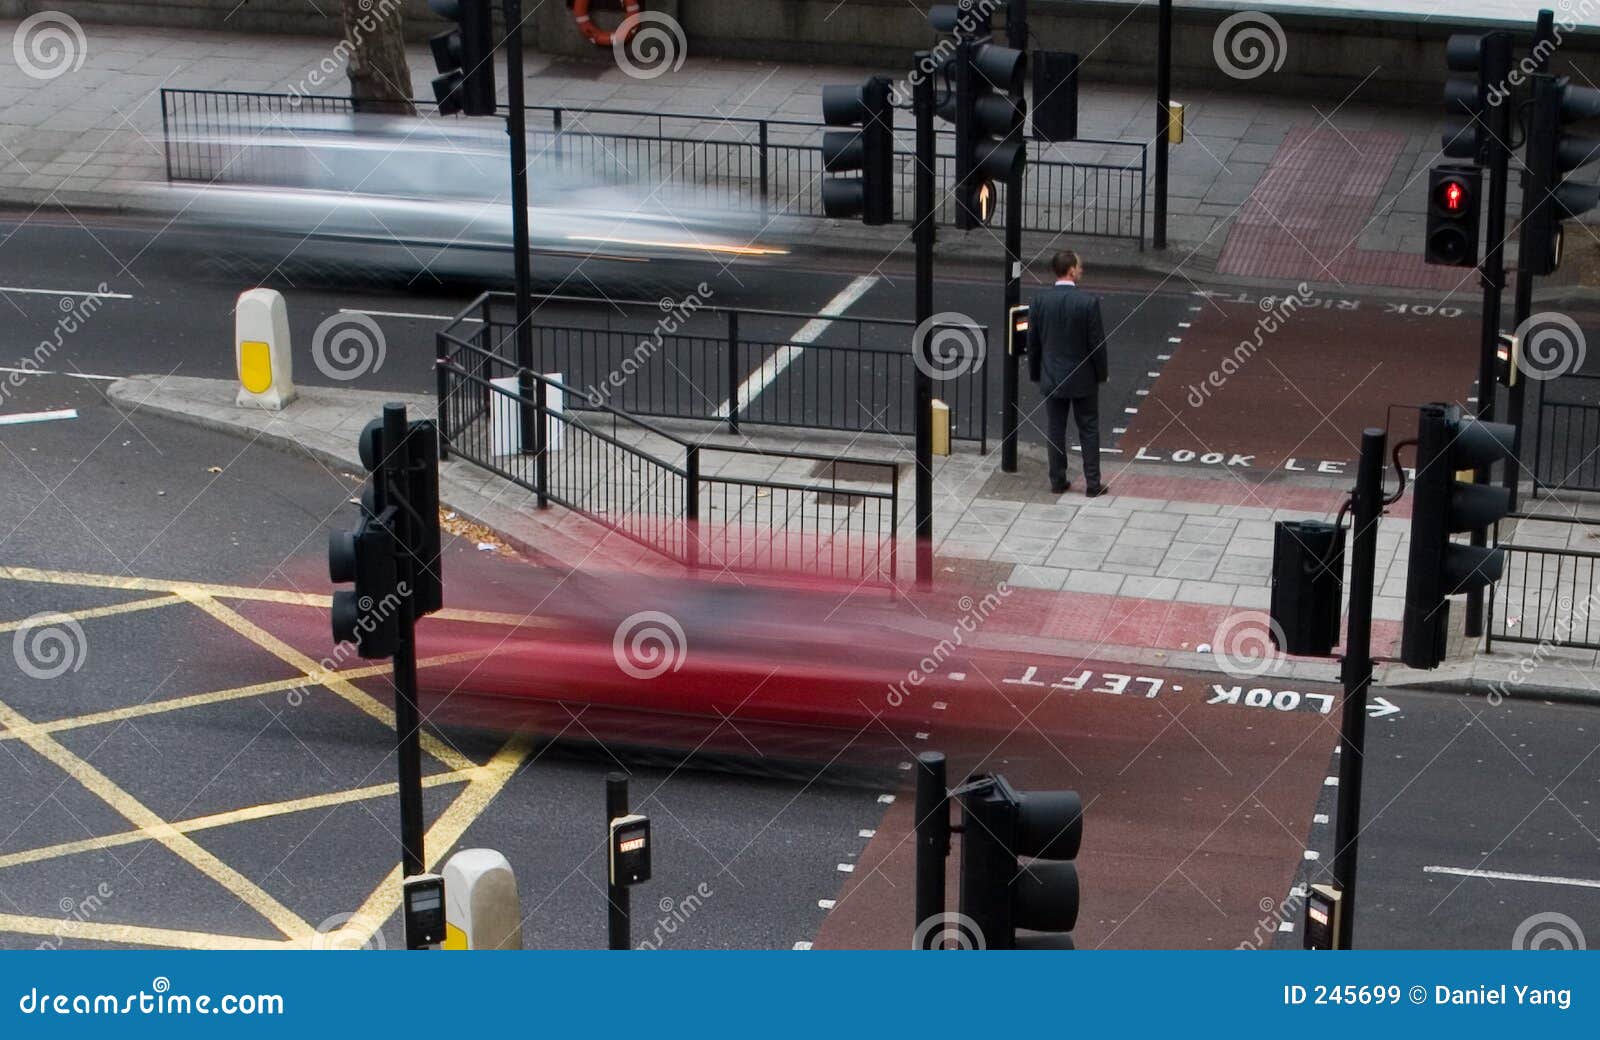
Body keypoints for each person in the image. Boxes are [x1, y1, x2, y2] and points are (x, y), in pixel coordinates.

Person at [1030, 249, 1109, 497]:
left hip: (1052, 376)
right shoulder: (1088, 303)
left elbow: (1033, 343)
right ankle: (1093, 483)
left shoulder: (1040, 302)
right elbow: (1097, 345)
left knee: (1056, 429)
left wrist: (1036, 374)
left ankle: (1057, 480)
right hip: (1083, 378)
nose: (1082, 270)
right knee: (1089, 428)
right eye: (1080, 266)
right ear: (1071, 270)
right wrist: (1102, 374)